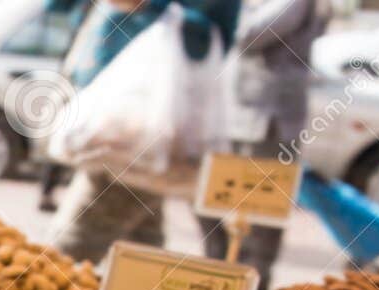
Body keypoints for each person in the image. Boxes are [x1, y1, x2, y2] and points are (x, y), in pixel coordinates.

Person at [46, 0, 242, 264]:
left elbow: (201, 33)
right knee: (140, 247)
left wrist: (147, 6)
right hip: (130, 135)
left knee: (69, 251)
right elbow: (57, 7)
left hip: (134, 139)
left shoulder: (182, 21)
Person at [201, 0, 331, 290]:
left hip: (269, 121)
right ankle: (218, 279)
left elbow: (249, 33)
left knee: (260, 216)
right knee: (211, 200)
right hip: (238, 114)